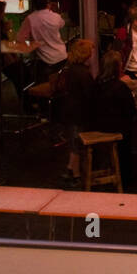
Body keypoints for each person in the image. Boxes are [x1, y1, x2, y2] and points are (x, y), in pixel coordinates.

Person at [92, 49, 137, 189]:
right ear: (117, 67)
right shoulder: (120, 87)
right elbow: (130, 110)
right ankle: (125, 179)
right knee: (128, 136)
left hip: (97, 126)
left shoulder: (95, 84)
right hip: (117, 130)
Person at [58, 38, 96, 189]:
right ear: (86, 54)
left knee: (74, 143)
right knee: (77, 144)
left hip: (69, 111)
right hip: (79, 113)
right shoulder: (84, 74)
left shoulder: (71, 70)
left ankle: (70, 170)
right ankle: (76, 175)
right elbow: (90, 96)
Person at [16, 0, 67, 78]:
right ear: (48, 4)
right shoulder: (56, 16)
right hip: (62, 56)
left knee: (44, 86)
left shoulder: (30, 19)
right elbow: (62, 24)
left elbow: (20, 39)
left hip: (45, 61)